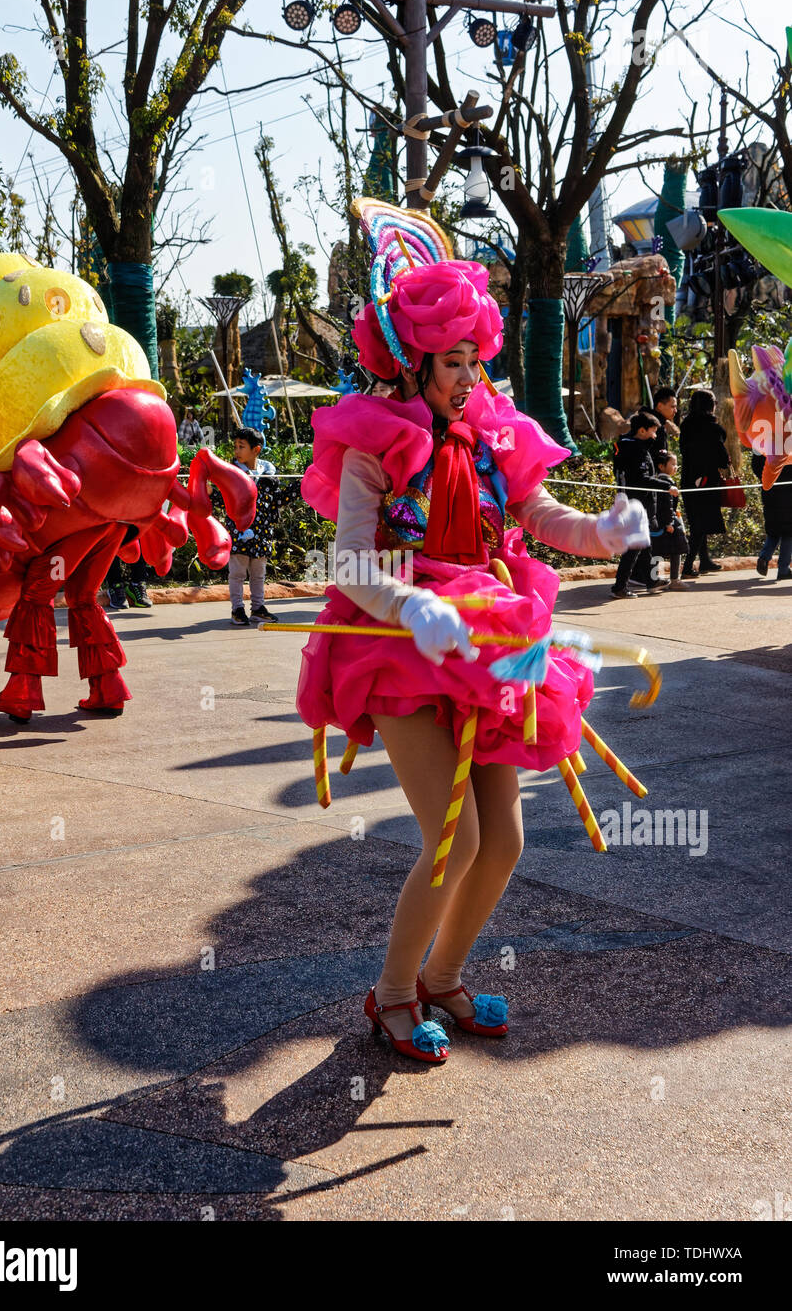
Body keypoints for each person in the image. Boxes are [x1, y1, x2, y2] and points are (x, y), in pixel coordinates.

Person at [294, 200, 649, 1065]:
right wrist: (409, 603)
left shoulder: (491, 433)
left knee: (506, 840)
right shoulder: (375, 441)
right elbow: (346, 564)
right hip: (399, 654)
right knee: (449, 841)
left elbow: (535, 513)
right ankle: (389, 996)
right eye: (450, 361)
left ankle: (444, 978)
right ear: (412, 359)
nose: (465, 375)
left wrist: (601, 533)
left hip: (491, 646)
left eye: (473, 358)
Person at [223, 426, 300, 626]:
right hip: (239, 531)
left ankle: (258, 608)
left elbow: (277, 501)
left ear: (256, 450)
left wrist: (300, 485)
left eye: (242, 446)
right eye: (235, 446)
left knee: (258, 575)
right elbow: (220, 498)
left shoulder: (269, 476)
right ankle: (237, 609)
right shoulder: (231, 475)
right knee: (237, 573)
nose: (237, 451)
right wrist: (208, 489)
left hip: (263, 533)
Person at [611, 410, 669, 598]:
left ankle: (652, 580)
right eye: (652, 432)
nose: (654, 436)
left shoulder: (624, 447)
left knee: (644, 544)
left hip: (628, 501)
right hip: (637, 504)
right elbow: (641, 479)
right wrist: (666, 485)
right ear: (642, 431)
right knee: (635, 546)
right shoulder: (636, 450)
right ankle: (620, 587)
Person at [680, 388, 730, 577]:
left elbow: (687, 451)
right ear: (711, 406)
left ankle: (705, 560)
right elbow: (722, 459)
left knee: (696, 521)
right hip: (707, 481)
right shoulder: (713, 428)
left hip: (688, 479)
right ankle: (687, 565)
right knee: (701, 525)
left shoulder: (686, 426)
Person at [650, 450, 691, 589]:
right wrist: (669, 522)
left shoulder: (656, 480)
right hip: (668, 522)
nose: (676, 467)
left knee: (656, 550)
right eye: (673, 464)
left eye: (677, 464)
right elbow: (666, 504)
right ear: (661, 466)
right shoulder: (666, 482)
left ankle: (653, 579)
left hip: (658, 522)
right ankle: (674, 580)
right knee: (677, 550)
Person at [752, 451, 792, 581]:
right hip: (788, 491)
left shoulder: (763, 441)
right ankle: (783, 569)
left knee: (774, 529)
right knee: (788, 533)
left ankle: (764, 558)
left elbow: (756, 465)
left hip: (769, 490)